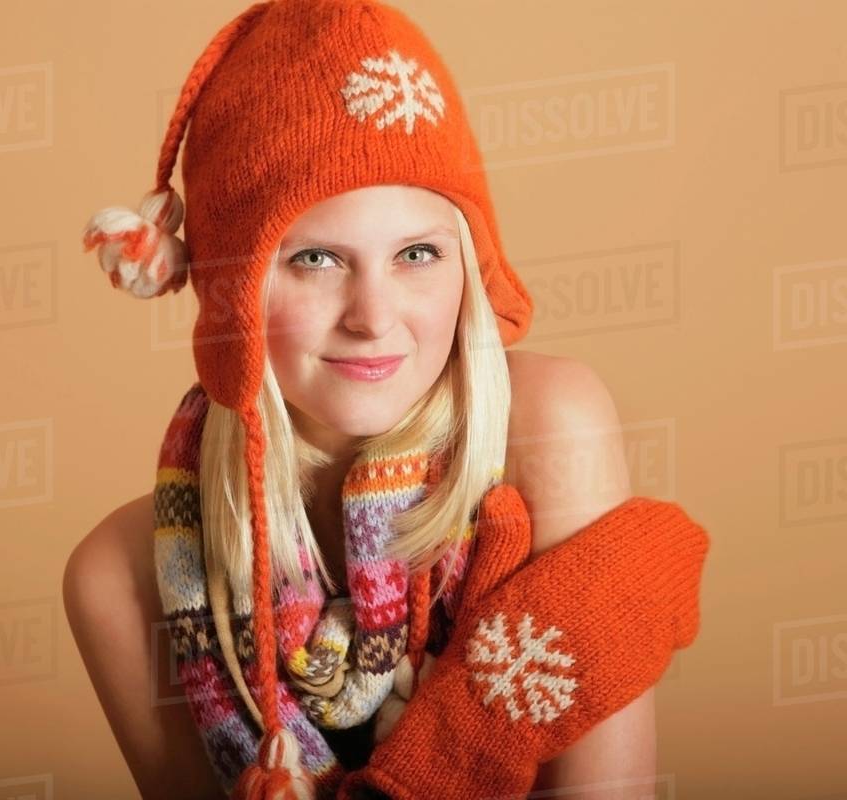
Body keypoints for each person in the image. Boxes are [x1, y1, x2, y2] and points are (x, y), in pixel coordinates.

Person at [66, 1, 708, 798]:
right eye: (315, 258)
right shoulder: (120, 577)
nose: (374, 317)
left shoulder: (547, 426)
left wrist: (441, 752)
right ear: (232, 292)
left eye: (417, 252)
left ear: (467, 267)